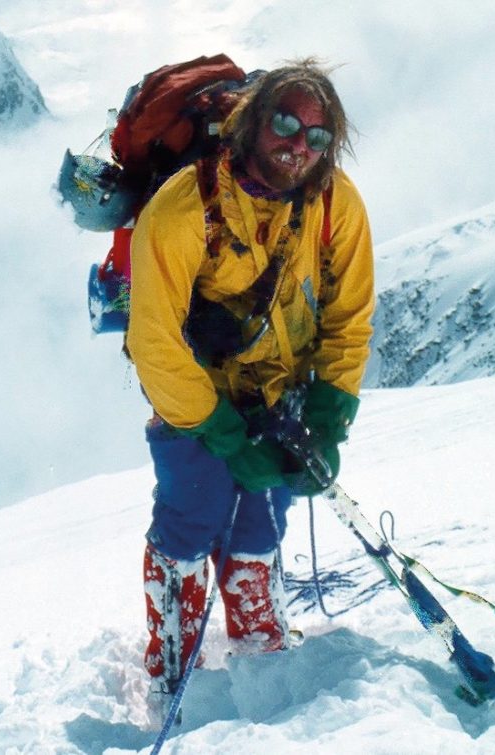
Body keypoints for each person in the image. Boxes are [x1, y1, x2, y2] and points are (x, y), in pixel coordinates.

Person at [125, 59, 375, 714]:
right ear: (254, 118)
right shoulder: (182, 209)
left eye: (317, 137)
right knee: (193, 508)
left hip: (278, 383)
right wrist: (220, 429)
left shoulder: (331, 203)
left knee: (264, 507)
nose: (299, 146)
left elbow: (349, 313)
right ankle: (173, 650)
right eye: (287, 123)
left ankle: (255, 618)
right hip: (190, 390)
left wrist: (331, 413)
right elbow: (154, 341)